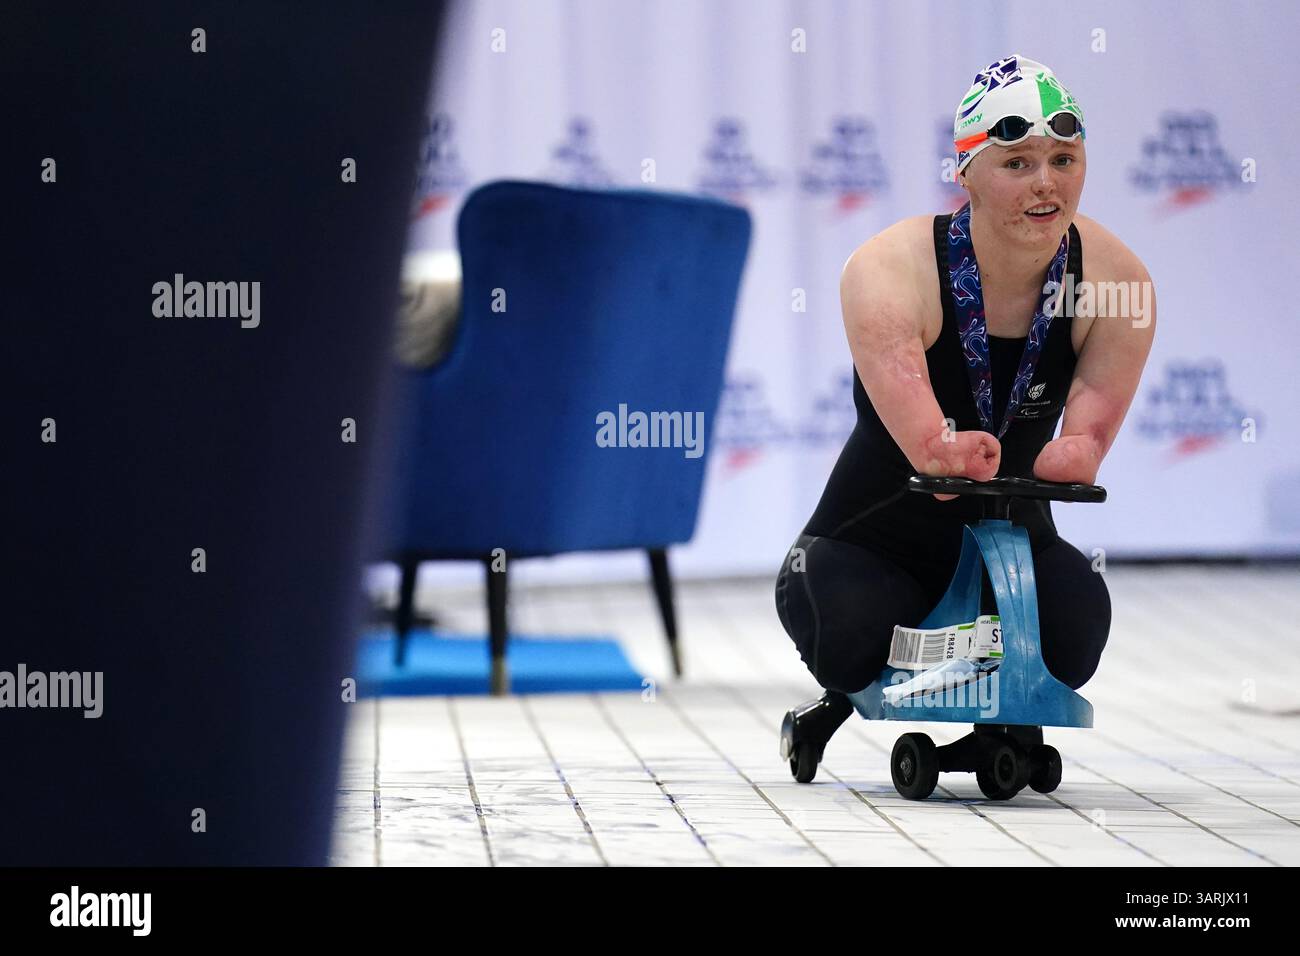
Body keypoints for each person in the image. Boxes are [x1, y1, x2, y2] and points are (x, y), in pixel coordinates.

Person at [775, 55, 1156, 749]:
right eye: (1017, 163)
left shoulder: (1114, 279)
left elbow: (1090, 422)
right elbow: (925, 437)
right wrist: (939, 447)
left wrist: (1082, 446)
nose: (1046, 184)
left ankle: (996, 704)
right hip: (872, 546)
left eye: (1064, 160)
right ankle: (842, 699)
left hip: (1007, 551)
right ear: (967, 173)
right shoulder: (892, 269)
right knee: (847, 631)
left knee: (1076, 631)